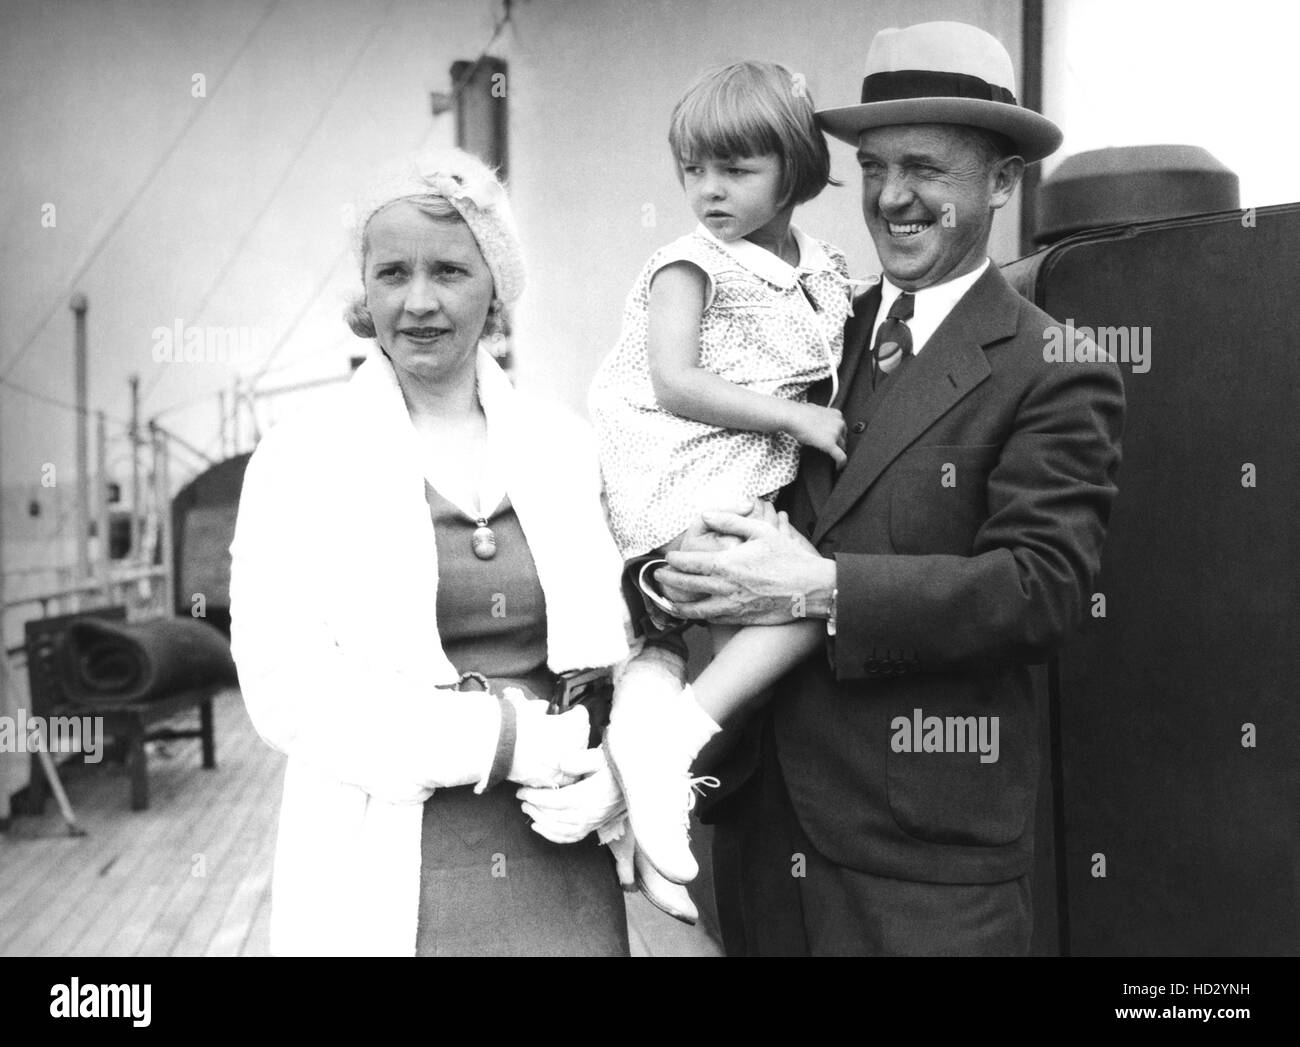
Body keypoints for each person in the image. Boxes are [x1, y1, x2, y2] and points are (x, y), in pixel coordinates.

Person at [646, 21, 1127, 955]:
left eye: (925, 169)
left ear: (1001, 182)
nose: (892, 197)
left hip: (924, 873)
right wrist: (665, 579)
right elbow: (697, 464)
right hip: (757, 830)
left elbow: (1041, 588)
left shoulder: (1056, 365)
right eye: (872, 166)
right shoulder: (812, 318)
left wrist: (825, 590)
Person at [229, 148, 637, 956]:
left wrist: (623, 770)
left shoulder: (566, 448)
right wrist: (502, 739)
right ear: (365, 290)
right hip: (386, 858)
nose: (419, 301)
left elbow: (636, 645)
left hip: (558, 854)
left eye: (449, 270)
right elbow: (285, 688)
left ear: (496, 287)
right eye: (392, 273)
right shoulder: (300, 458)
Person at [587, 61, 857, 889]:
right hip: (677, 468)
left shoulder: (823, 268)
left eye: (737, 170)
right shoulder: (689, 263)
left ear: (796, 172)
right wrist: (795, 417)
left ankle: (647, 783)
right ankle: (670, 749)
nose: (709, 190)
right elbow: (675, 381)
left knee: (760, 623)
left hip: (739, 475)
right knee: (803, 601)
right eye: (693, 170)